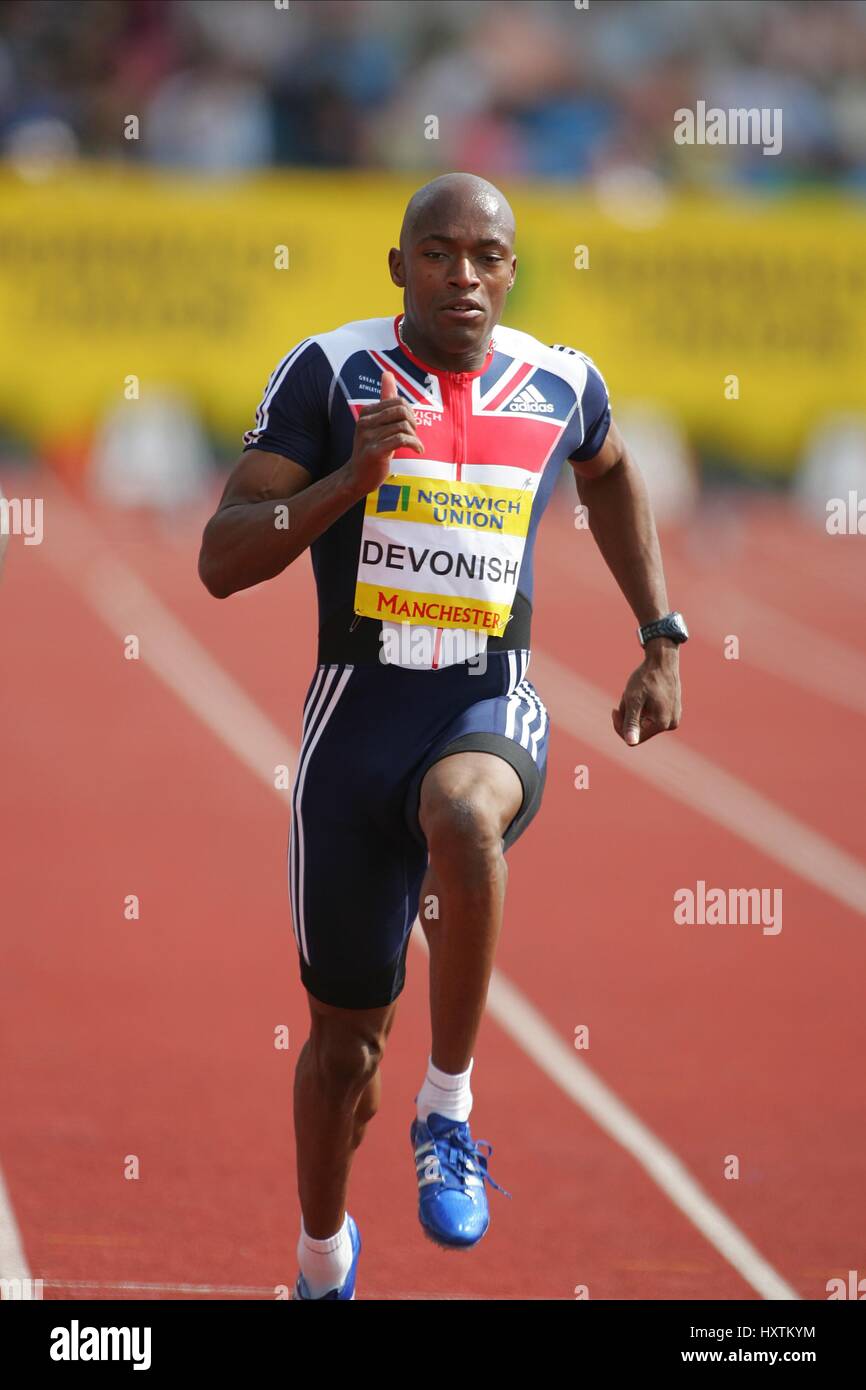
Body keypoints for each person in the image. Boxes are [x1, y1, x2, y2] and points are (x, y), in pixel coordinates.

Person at [197, 172, 686, 1300]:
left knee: (466, 817)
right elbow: (223, 557)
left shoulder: (561, 381)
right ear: (397, 265)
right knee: (338, 1057)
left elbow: (607, 468)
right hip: (355, 717)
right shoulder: (328, 370)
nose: (461, 276)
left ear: (511, 270)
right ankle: (323, 1261)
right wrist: (346, 480)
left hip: (485, 698)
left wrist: (658, 634)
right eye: (435, 253)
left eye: (484, 256)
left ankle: (449, 1110)